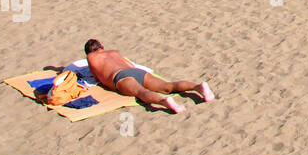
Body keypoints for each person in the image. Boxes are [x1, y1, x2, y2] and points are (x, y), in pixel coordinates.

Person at [80, 39, 214, 114]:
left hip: (121, 77)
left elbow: (96, 76)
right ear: (102, 46)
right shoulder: (113, 52)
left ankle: (164, 102)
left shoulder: (91, 57)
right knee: (168, 86)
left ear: (88, 52)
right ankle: (198, 87)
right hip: (137, 72)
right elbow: (130, 65)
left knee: (141, 92)